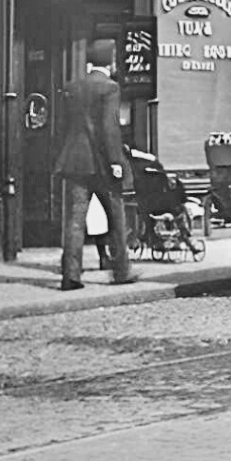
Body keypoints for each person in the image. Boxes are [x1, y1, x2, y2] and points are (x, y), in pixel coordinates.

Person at [53, 39, 136, 290]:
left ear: (90, 63)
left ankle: (71, 276)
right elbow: (109, 129)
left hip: (75, 162)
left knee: (75, 221)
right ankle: (120, 271)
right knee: (117, 217)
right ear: (110, 63)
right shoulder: (110, 88)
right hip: (101, 164)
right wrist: (115, 162)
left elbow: (63, 127)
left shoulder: (73, 87)